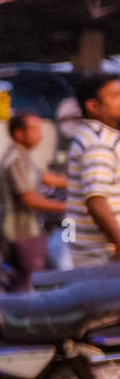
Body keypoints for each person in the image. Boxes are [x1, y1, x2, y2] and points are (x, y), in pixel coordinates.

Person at [0, 113, 66, 292]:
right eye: (34, 130)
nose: (39, 135)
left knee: (26, 278)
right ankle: (20, 318)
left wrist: (81, 178)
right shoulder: (16, 158)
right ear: (19, 134)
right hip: (21, 231)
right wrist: (68, 207)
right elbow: (29, 198)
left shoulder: (24, 156)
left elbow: (47, 178)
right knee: (30, 281)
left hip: (26, 230)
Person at [65, 73, 120, 267]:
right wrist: (118, 242)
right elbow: (96, 200)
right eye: (116, 96)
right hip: (100, 254)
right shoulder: (99, 143)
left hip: (96, 250)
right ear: (94, 107)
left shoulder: (97, 137)